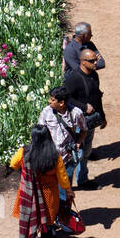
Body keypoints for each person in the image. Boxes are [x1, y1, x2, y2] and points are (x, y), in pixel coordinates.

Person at [10, 124, 70, 238]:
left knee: (26, 220)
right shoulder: (54, 155)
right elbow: (63, 178)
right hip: (49, 196)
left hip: (28, 194)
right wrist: (69, 190)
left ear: (33, 138)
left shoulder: (25, 152)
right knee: (47, 224)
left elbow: (13, 164)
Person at [37, 86, 84, 226]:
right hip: (50, 159)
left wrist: (78, 143)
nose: (49, 102)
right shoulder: (46, 112)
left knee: (65, 188)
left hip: (67, 159)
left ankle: (62, 218)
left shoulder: (76, 113)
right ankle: (52, 217)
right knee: (51, 190)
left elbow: (84, 129)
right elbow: (39, 132)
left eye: (52, 100)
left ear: (61, 102)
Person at [63, 49, 107, 187]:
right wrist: (83, 106)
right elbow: (65, 97)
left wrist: (102, 116)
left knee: (86, 151)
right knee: (75, 155)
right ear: (82, 62)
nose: (96, 63)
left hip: (89, 121)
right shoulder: (74, 78)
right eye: (92, 61)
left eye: (96, 60)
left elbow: (97, 97)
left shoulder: (94, 76)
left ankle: (83, 180)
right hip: (76, 124)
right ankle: (66, 187)